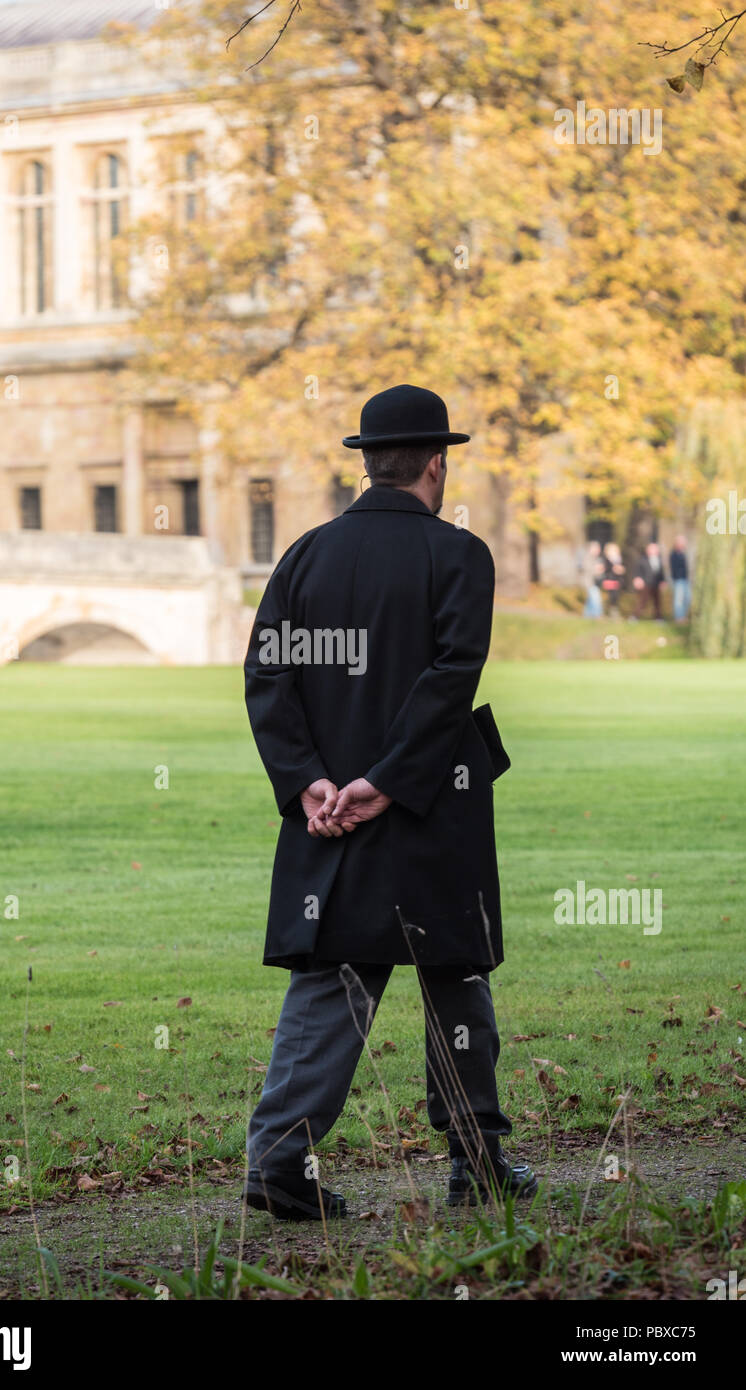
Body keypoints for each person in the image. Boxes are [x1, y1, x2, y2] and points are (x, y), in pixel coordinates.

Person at [242, 383, 537, 1221]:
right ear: (436, 466)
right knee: (454, 976)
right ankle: (476, 1159)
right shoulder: (460, 556)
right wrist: (390, 781)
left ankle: (278, 1161)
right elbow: (450, 680)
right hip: (429, 804)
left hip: (329, 811)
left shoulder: (303, 556)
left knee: (331, 978)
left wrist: (312, 783)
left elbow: (269, 675)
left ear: (368, 463)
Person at [633, 541, 667, 620]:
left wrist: (663, 581)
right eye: (651, 549)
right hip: (646, 583)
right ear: (647, 550)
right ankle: (635, 616)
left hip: (656, 584)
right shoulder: (642, 560)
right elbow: (638, 571)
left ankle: (658, 618)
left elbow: (661, 573)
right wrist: (638, 579)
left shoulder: (659, 560)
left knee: (657, 602)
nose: (653, 551)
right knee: (642, 601)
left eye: (655, 549)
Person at [669, 535, 691, 623]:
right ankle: (679, 618)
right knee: (678, 599)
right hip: (678, 580)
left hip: (686, 579)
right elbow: (674, 568)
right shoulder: (674, 554)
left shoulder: (684, 553)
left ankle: (683, 616)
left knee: (688, 598)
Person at [580, 539, 604, 618]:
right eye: (596, 548)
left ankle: (587, 615)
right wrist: (596, 570)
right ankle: (597, 615)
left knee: (591, 599)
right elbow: (586, 568)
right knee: (596, 598)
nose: (598, 550)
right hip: (589, 582)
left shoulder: (597, 558)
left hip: (595, 582)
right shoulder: (587, 557)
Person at [601, 541, 625, 614]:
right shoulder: (605, 559)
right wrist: (613, 569)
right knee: (611, 596)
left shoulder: (619, 559)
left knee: (616, 596)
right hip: (609, 580)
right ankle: (610, 610)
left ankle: (614, 609)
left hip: (618, 580)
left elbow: (622, 569)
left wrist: (621, 570)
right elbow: (605, 569)